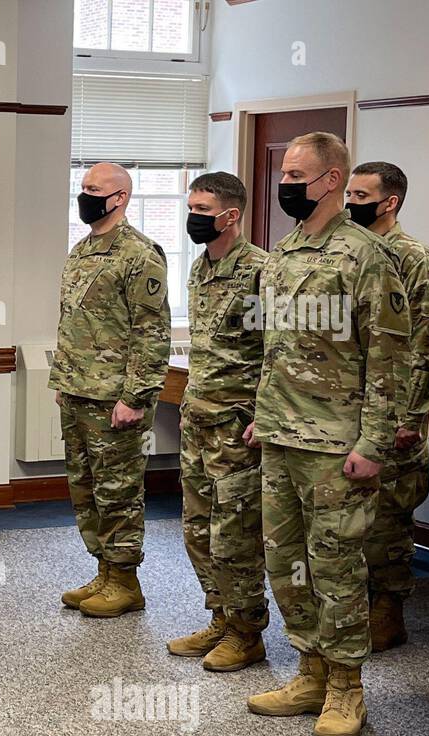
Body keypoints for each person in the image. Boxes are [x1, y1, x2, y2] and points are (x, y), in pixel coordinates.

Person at [244, 133, 412, 736]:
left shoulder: (366, 256)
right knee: (285, 562)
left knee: (336, 566)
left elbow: (389, 357)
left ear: (333, 179)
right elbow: (277, 347)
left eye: (297, 173)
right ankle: (309, 671)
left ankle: (347, 686)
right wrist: (264, 415)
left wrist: (372, 443)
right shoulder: (284, 253)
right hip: (283, 436)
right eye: (284, 172)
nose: (285, 182)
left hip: (337, 444)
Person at [51, 162, 171, 618]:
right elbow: (74, 322)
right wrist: (63, 381)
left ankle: (125, 581)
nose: (85, 195)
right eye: (82, 187)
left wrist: (135, 398)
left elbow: (151, 332)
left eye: (94, 189)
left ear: (120, 197)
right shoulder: (83, 250)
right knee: (86, 488)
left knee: (118, 490)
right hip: (78, 390)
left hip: (114, 398)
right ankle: (103, 571)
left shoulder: (140, 254)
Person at [345, 161, 429, 651]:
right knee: (354, 522)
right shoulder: (353, 252)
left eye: (361, 195)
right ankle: (355, 608)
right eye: (347, 192)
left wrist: (410, 418)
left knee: (387, 521)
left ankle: (387, 615)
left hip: (394, 419)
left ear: (389, 203)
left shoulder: (413, 260)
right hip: (355, 409)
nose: (350, 202)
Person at [168, 172, 270, 671]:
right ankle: (221, 616)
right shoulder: (200, 269)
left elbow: (278, 350)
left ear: (231, 215)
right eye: (190, 206)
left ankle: (247, 631)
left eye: (202, 209)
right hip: (199, 418)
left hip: (238, 425)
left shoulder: (259, 272)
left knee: (235, 532)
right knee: (197, 528)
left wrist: (266, 415)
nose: (193, 217)